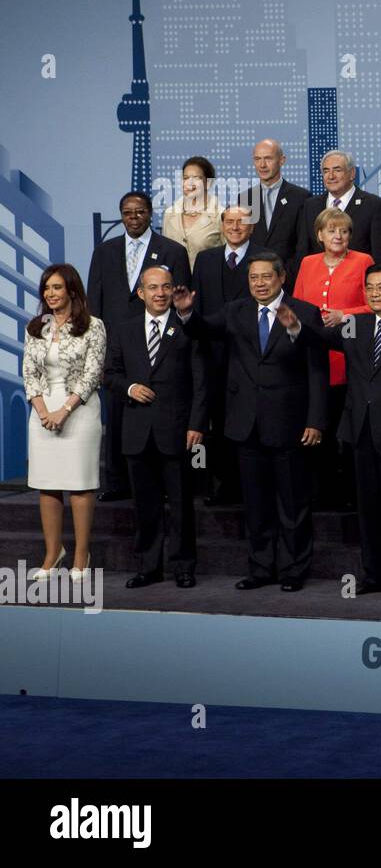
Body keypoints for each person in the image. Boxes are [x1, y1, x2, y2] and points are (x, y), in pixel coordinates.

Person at [277, 265, 381, 598]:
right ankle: (373, 574)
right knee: (369, 510)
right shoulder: (356, 325)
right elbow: (321, 337)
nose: (374, 293)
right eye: (369, 288)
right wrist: (295, 327)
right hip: (361, 432)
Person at [174, 252, 328, 591]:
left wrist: (315, 420)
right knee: (256, 505)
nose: (258, 283)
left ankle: (293, 570)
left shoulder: (303, 312)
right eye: (253, 277)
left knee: (292, 505)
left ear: (281, 278)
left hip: (290, 422)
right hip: (246, 423)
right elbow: (203, 329)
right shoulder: (236, 310)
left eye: (265, 277)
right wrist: (186, 311)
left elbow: (318, 370)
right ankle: (260, 569)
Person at [105, 265, 208, 588]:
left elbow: (201, 381)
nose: (160, 293)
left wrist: (196, 424)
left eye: (166, 287)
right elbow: (109, 374)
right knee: (145, 506)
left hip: (177, 430)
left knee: (180, 505)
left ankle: (183, 567)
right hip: (136, 431)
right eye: (153, 288)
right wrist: (129, 389)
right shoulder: (124, 329)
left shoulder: (187, 327)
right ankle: (148, 567)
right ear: (141, 293)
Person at [87, 191, 191, 502]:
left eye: (140, 212)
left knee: (163, 414)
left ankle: (167, 485)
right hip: (120, 344)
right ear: (121, 215)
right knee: (119, 414)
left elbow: (181, 297)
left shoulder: (172, 250)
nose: (134, 217)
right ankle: (117, 482)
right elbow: (95, 301)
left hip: (163, 340)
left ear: (150, 214)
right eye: (128, 212)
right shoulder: (105, 251)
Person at [23, 264, 106, 584]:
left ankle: (81, 554)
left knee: (79, 483)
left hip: (80, 411)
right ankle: (52, 552)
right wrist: (44, 411)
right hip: (43, 411)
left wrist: (64, 410)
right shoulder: (36, 327)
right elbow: (29, 374)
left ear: (72, 290)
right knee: (48, 484)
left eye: (56, 287)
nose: (50, 294)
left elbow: (92, 375)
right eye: (46, 288)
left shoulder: (93, 326)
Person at [293, 207, 374, 509]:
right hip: (313, 358)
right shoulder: (307, 263)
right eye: (331, 231)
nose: (338, 236)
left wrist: (344, 315)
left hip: (348, 358)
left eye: (344, 231)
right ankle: (320, 492)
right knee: (316, 428)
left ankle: (350, 495)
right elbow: (299, 304)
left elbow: (375, 305)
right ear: (320, 235)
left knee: (348, 431)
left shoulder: (363, 261)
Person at [190, 206, 266, 505]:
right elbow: (195, 309)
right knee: (219, 422)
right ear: (222, 225)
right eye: (230, 221)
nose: (235, 227)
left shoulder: (264, 258)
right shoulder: (206, 259)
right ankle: (225, 484)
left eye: (242, 222)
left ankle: (252, 487)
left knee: (249, 421)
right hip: (214, 356)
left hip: (252, 355)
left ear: (252, 227)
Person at [241, 138, 312, 282]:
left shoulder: (301, 197)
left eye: (268, 159)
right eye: (257, 159)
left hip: (288, 281)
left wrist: (284, 276)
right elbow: (242, 244)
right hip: (254, 284)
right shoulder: (246, 198)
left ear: (282, 160)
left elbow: (303, 247)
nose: (262, 165)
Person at [304, 149, 381, 257]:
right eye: (326, 171)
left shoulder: (374, 205)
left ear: (352, 173)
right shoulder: (310, 206)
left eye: (337, 170)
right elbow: (304, 251)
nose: (331, 176)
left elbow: (379, 254)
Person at [162, 156, 223, 269]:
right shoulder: (169, 213)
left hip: (207, 282)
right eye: (186, 178)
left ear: (208, 182)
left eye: (196, 178)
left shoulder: (220, 215)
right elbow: (165, 254)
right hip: (175, 283)